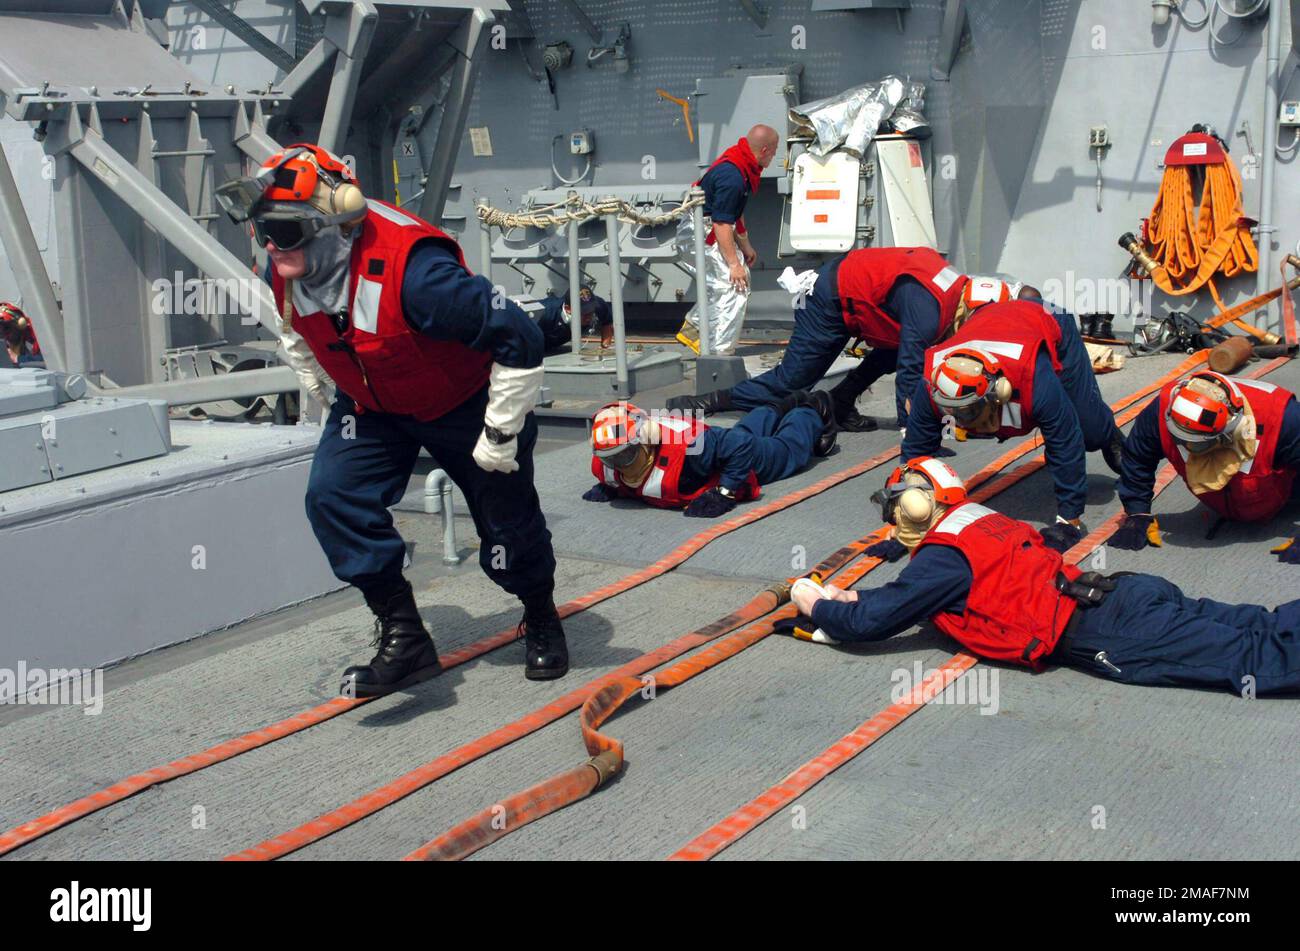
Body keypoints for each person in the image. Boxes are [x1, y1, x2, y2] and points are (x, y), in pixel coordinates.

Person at [215, 143, 568, 694]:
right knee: (334, 497)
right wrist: (318, 381)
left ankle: (540, 613)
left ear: (333, 225)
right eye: (260, 232)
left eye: (282, 233)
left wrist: (499, 434)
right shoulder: (286, 262)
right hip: (373, 406)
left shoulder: (419, 275)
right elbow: (292, 323)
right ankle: (407, 638)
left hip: (466, 405)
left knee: (508, 536)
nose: (268, 247)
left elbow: (520, 340)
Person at [787, 458, 1300, 695]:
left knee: (1248, 660)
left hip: (1105, 631)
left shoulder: (942, 556)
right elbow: (915, 594)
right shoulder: (980, 520)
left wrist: (819, 604)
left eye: (895, 506)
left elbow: (874, 622)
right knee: (1255, 623)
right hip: (1124, 593)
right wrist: (856, 596)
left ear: (914, 506)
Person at [669, 247, 1012, 431]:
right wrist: (914, 432)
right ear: (967, 309)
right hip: (828, 300)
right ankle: (707, 402)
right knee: (793, 379)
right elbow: (910, 373)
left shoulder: (953, 285)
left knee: (892, 352)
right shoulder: (929, 310)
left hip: (852, 293)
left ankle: (841, 404)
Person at [898, 296, 1125, 553]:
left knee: (1087, 430)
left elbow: (1066, 439)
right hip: (995, 321)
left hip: (1048, 322)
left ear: (1000, 392)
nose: (960, 420)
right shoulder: (932, 384)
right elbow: (916, 451)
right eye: (953, 412)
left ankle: (1111, 435)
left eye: (968, 411)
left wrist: (1068, 520)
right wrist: (906, 513)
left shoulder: (1034, 380)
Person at [1112, 370, 1300, 560]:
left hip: (1286, 496)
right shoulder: (1160, 411)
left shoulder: (1282, 419)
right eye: (1182, 440)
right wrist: (1137, 512)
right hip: (1230, 502)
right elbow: (1138, 456)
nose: (1190, 449)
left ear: (1231, 428)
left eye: (1199, 444)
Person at [583, 392, 836, 518]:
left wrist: (724, 492)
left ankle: (814, 408)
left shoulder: (690, 454)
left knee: (787, 449)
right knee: (743, 430)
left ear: (647, 441)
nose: (618, 466)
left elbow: (740, 446)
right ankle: (778, 405)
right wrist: (613, 487)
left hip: (730, 453)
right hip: (717, 443)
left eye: (625, 456)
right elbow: (615, 465)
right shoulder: (607, 465)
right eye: (610, 458)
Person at [675, 124, 780, 355]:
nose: (775, 156)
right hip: (700, 233)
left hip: (707, 230)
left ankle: (695, 331)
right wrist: (733, 264)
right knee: (734, 286)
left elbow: (733, 211)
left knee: (736, 281)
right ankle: (719, 353)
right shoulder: (734, 176)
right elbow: (721, 224)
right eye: (774, 151)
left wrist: (744, 244)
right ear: (764, 150)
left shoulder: (741, 164)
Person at [537, 286, 612, 351]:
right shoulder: (545, 313)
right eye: (584, 312)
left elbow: (607, 322)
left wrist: (604, 347)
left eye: (591, 312)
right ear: (568, 309)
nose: (589, 317)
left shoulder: (598, 305)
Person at [0, 302, 42, 367]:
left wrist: (18, 359)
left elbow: (53, 359)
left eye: (6, 328)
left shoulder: (40, 336)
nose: (3, 333)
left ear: (20, 325)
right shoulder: (6, 342)